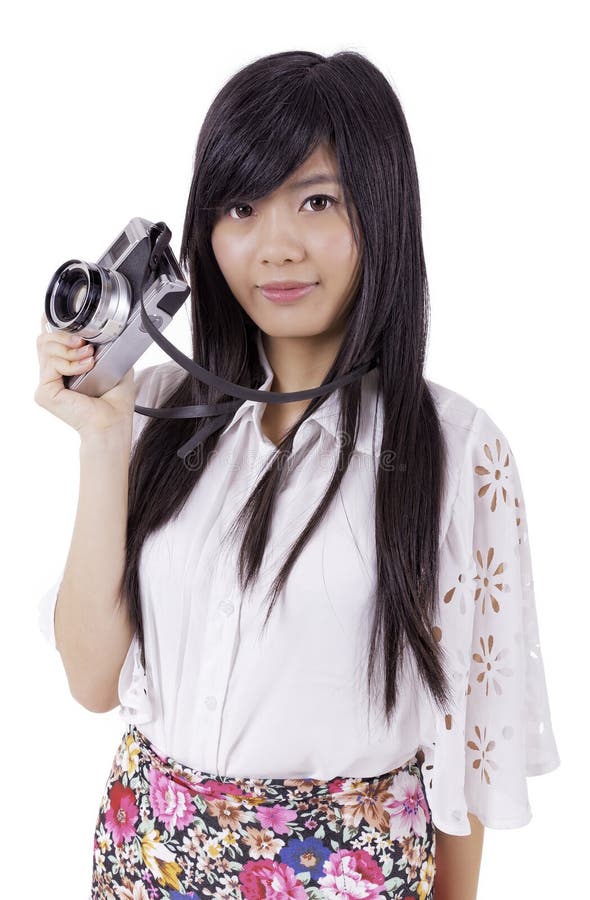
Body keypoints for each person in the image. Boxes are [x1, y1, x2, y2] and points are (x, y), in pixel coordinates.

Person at [35, 50, 560, 900]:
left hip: (346, 878)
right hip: (144, 865)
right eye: (241, 206)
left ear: (382, 211)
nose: (274, 247)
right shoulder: (161, 409)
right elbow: (93, 683)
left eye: (317, 200)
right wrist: (102, 437)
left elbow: (466, 766)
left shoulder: (458, 450)